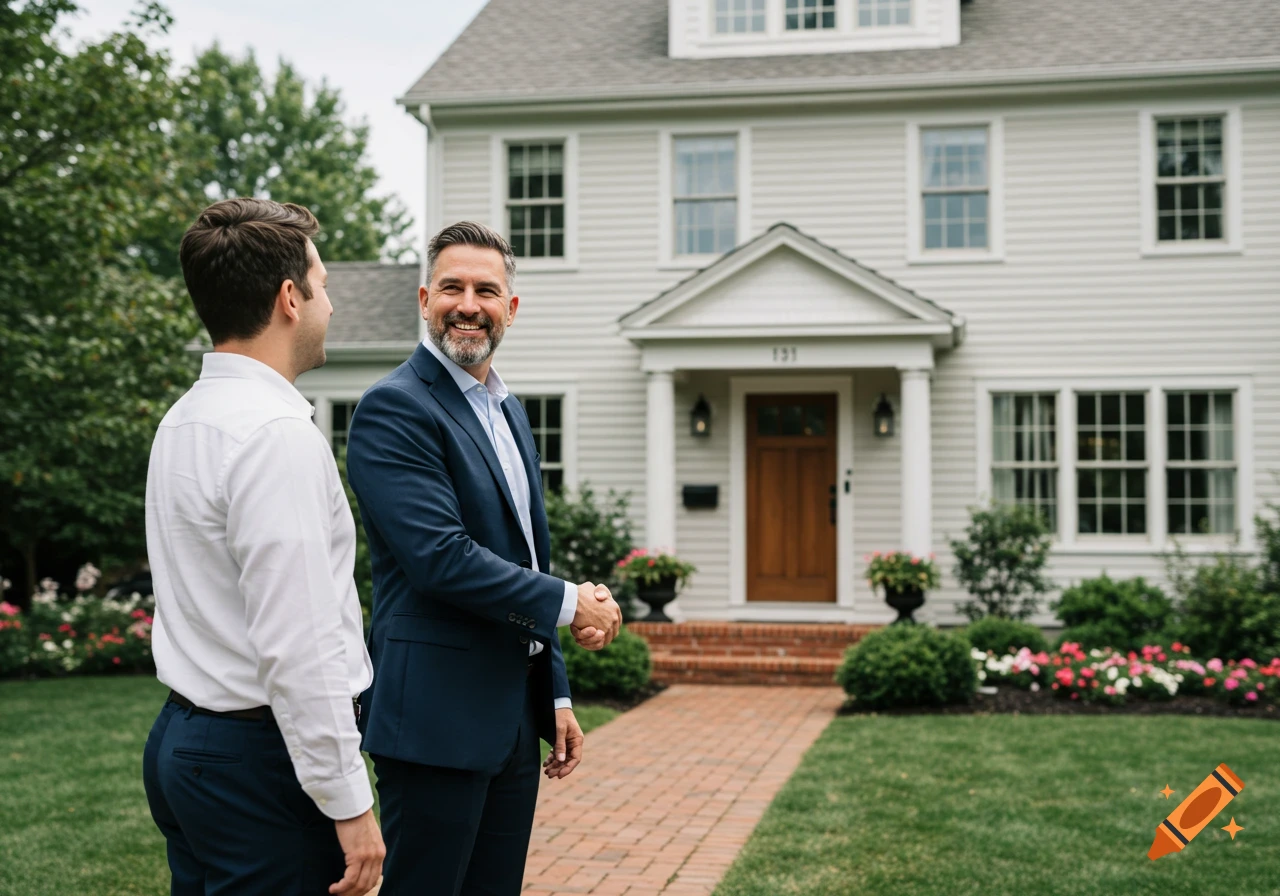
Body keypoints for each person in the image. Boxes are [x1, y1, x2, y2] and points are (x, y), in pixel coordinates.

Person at [345, 221, 623, 895]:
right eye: (452, 287)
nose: (469, 304)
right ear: (423, 298)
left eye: (486, 290)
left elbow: (525, 554)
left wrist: (552, 690)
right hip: (434, 722)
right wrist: (569, 603)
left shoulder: (508, 411)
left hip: (509, 722)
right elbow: (441, 557)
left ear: (511, 308)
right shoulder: (395, 409)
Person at [142, 198, 385, 896]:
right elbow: (299, 643)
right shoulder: (274, 436)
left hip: (186, 744)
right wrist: (350, 804)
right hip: (259, 765)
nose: (331, 304)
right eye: (325, 284)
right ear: (289, 298)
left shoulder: (183, 421)